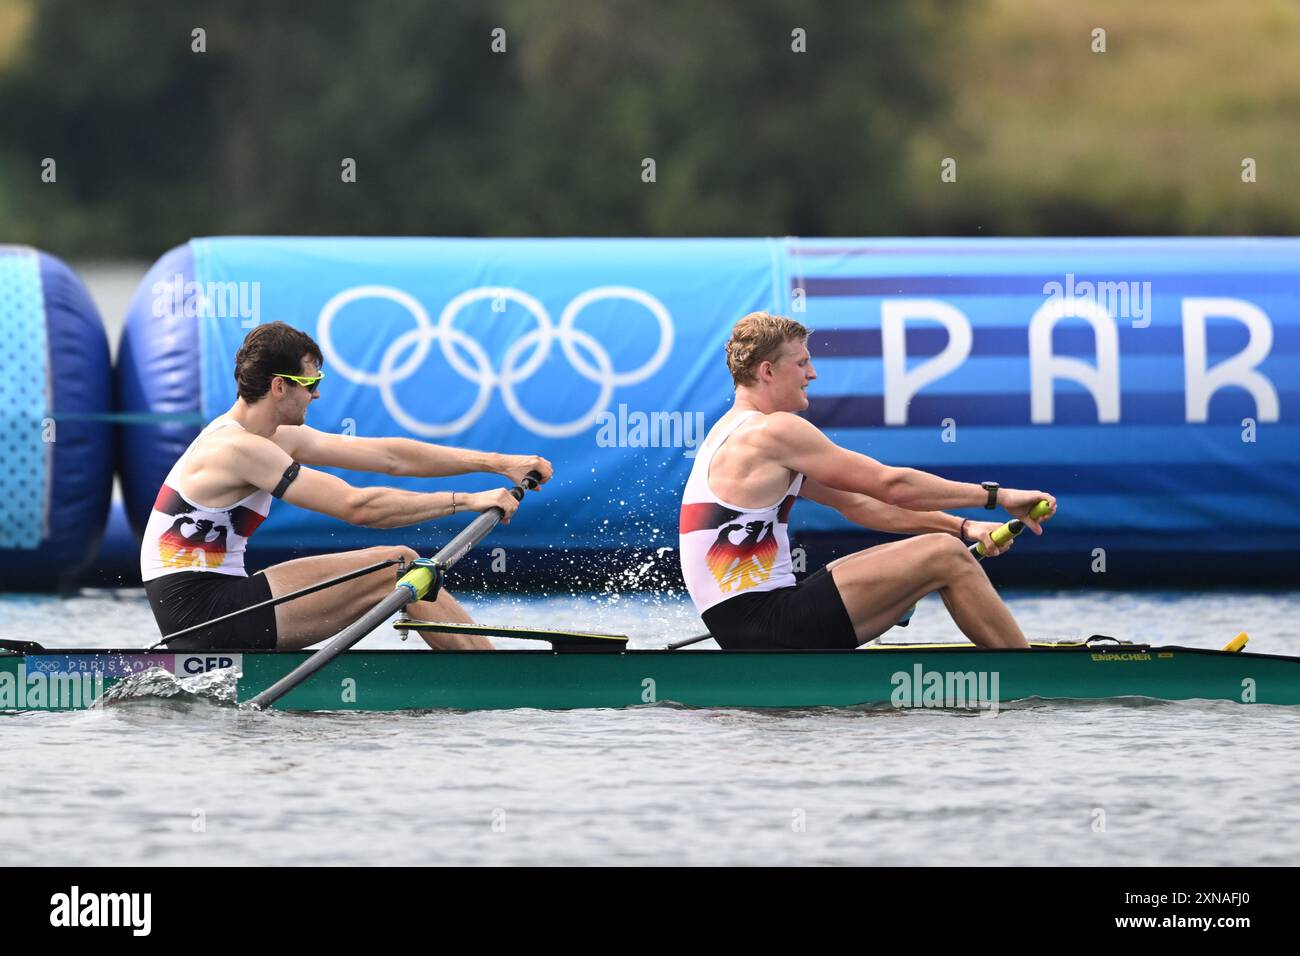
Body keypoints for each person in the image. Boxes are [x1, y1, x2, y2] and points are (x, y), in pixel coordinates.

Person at [141, 321, 551, 651]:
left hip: (221, 600)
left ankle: (483, 668)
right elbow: (359, 508)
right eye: (311, 384)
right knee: (399, 566)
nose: (317, 395)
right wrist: (469, 500)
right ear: (279, 386)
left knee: (401, 566)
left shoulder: (274, 437)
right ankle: (492, 678)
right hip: (202, 614)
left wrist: (500, 464)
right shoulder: (237, 448)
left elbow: (391, 457)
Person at [679, 311, 1055, 650]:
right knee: (945, 556)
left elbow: (861, 505)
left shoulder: (729, 432)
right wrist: (998, 496)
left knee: (938, 547)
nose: (812, 374)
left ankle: (1008, 657)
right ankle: (1028, 676)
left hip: (747, 621)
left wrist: (964, 526)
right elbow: (891, 485)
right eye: (802, 362)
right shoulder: (774, 431)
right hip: (765, 624)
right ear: (767, 371)